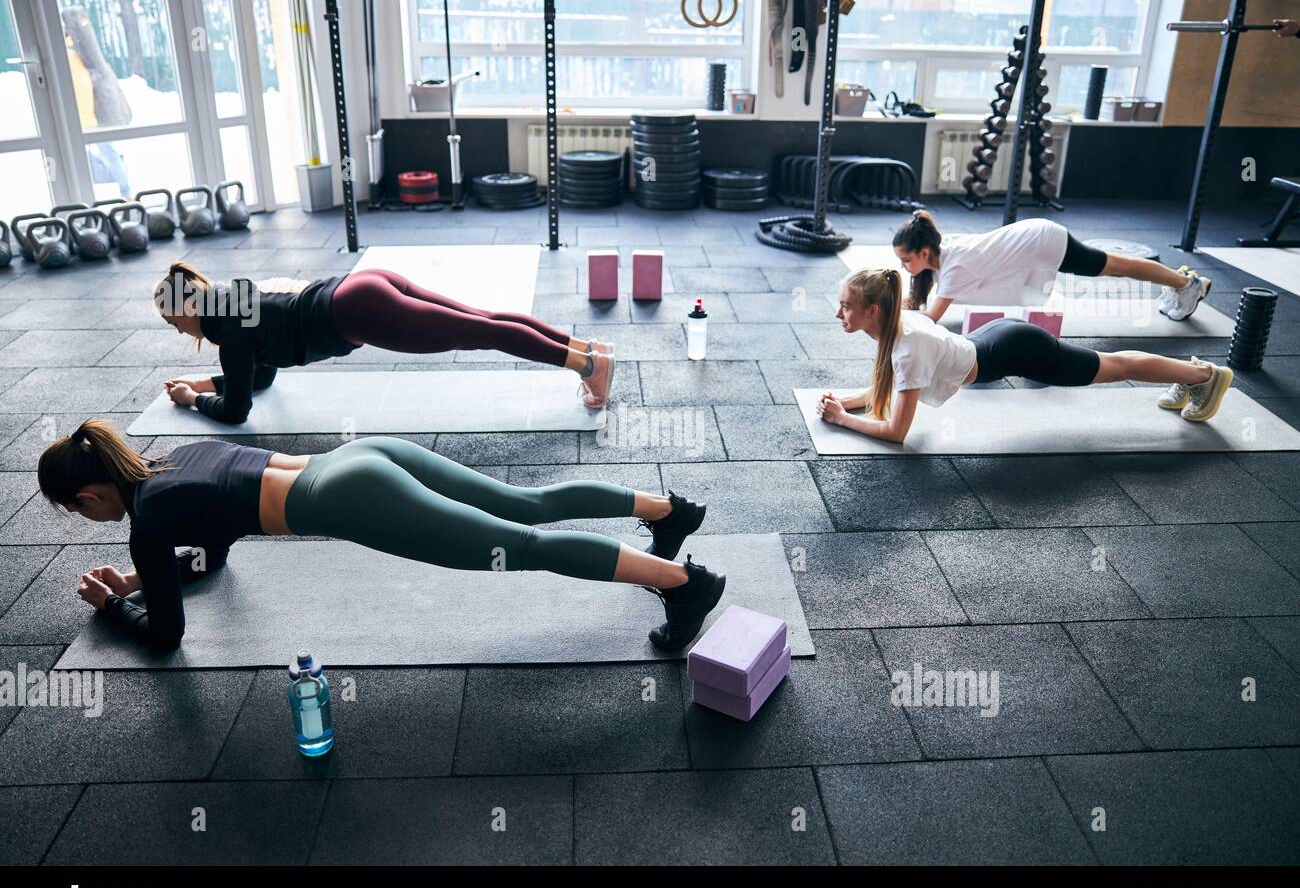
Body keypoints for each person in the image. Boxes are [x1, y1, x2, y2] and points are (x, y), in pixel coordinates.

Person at [38, 421, 721, 653]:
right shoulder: (171, 458)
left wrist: (116, 607)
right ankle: (667, 512)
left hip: (351, 498)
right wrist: (144, 578)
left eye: (78, 511)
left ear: (90, 495)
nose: (87, 519)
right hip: (364, 456)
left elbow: (166, 638)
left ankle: (686, 586)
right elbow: (213, 550)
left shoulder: (147, 521)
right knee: (528, 503)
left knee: (522, 546)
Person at [153, 263, 616, 424]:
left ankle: (585, 366)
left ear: (188, 308)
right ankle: (587, 350)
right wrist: (205, 381)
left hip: (357, 312)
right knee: (483, 318)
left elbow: (237, 410)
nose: (180, 332)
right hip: (361, 285)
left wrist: (195, 400)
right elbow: (262, 372)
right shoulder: (232, 299)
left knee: (480, 332)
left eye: (175, 322)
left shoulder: (227, 334)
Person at [817, 269, 1234, 445]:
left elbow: (896, 432)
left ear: (872, 311)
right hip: (998, 339)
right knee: (1112, 365)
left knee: (1112, 367)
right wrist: (848, 400)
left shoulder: (907, 346)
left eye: (845, 306)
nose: (838, 313)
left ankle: (1203, 375)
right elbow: (889, 387)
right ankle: (1192, 375)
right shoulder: (895, 325)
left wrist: (843, 418)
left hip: (1018, 349)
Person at [891, 209, 1211, 323]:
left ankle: (1186, 284)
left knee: (1114, 266)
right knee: (1113, 265)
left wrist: (892, 319)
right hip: (1035, 235)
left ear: (923, 251)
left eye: (906, 260)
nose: (904, 267)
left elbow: (932, 319)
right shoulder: (941, 249)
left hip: (1045, 242)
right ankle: (1180, 281)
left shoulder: (953, 269)